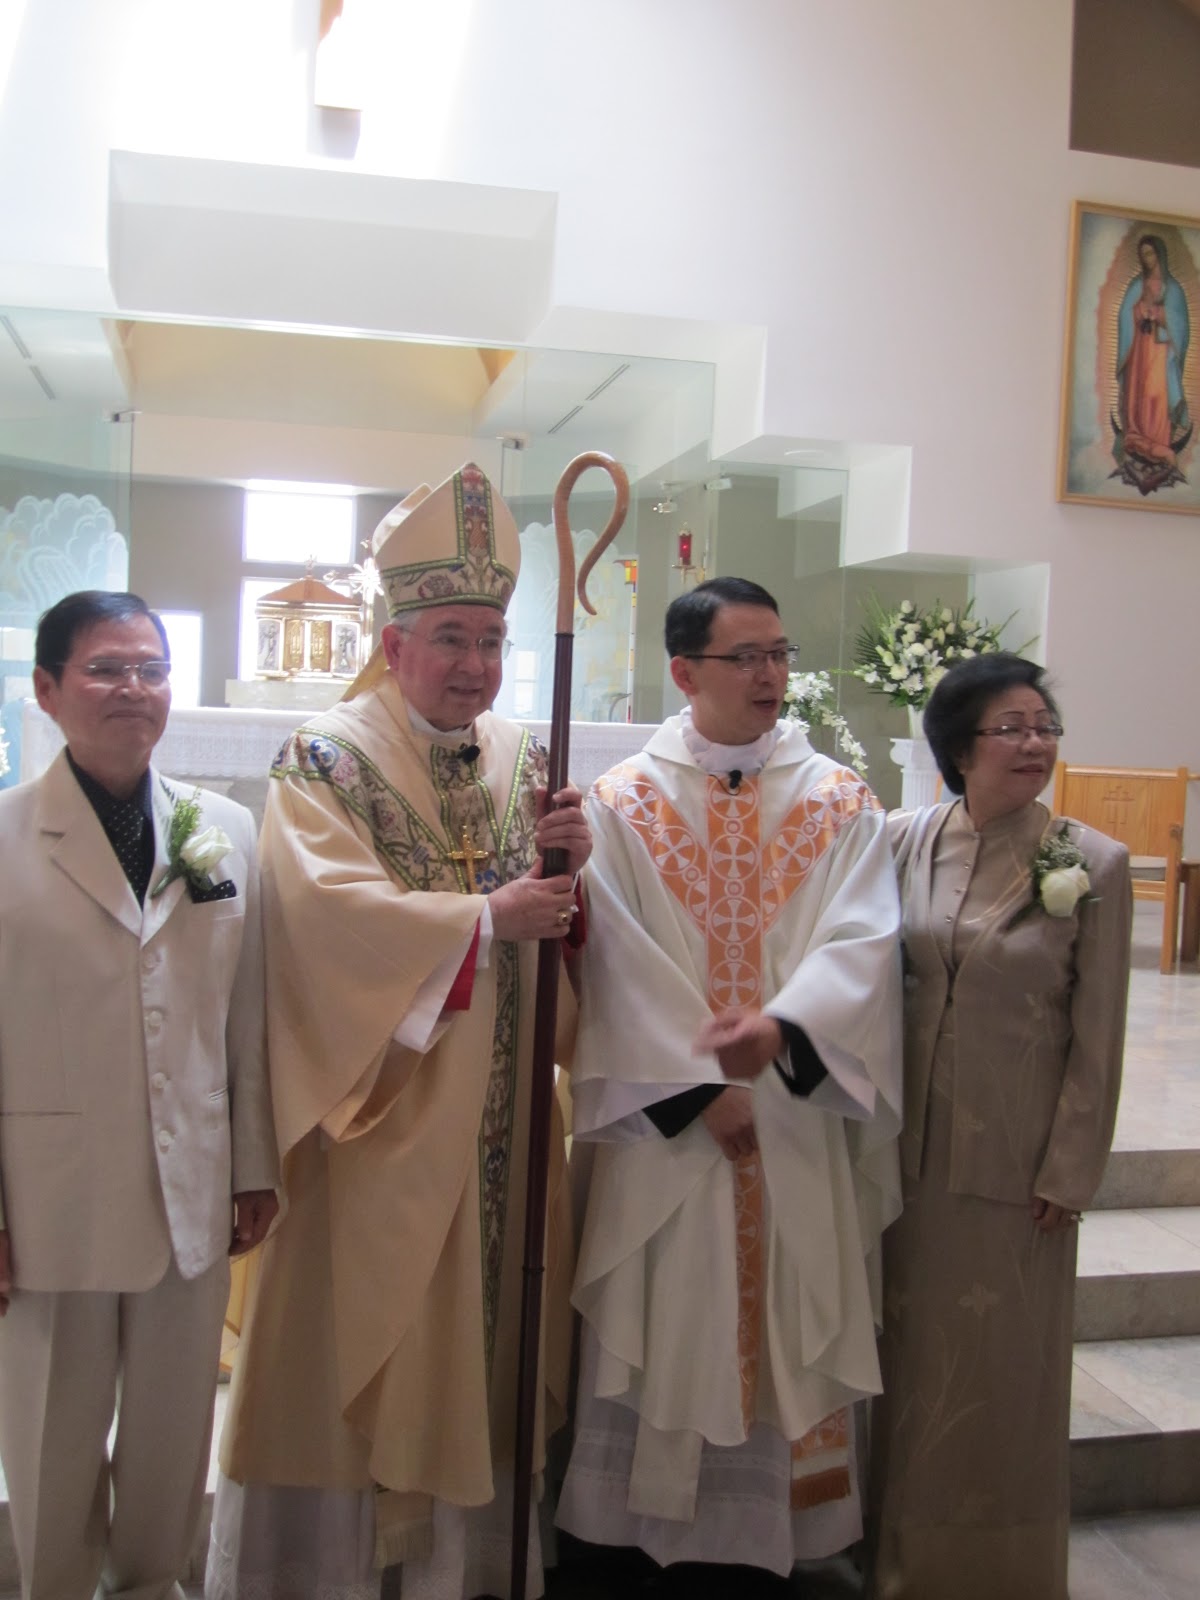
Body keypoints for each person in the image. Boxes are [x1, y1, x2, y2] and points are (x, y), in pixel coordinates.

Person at [210, 463, 589, 1600]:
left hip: (502, 1123)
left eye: (494, 640)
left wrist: (571, 870)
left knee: (487, 1339)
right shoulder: (327, 755)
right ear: (393, 640)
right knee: (368, 1340)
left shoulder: (523, 755)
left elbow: (555, 929)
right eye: (452, 638)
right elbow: (321, 923)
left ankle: (461, 1575)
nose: (477, 664)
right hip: (380, 1120)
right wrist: (486, 917)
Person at [556, 577, 903, 1595]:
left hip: (796, 1110)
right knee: (668, 1300)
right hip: (669, 1127)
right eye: (745, 656)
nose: (770, 675)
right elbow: (614, 961)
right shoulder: (622, 802)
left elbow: (862, 944)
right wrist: (699, 1089)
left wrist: (784, 1035)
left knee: (788, 1305)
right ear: (684, 671)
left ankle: (771, 1536)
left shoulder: (842, 800)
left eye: (780, 654)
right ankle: (637, 1528)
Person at [0, 589, 278, 1600]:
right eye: (106, 669)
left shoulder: (226, 830)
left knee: (170, 1449)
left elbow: (245, 1014)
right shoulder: (4, 837)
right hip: (50, 1201)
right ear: (47, 690)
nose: (134, 689)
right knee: (51, 1446)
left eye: (151, 669)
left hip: (188, 1189)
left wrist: (253, 1165)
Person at [866, 652, 1132, 1600]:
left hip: (1015, 1169)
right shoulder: (900, 840)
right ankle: (887, 1555)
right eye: (1010, 728)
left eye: (1044, 727)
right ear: (958, 745)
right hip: (900, 1159)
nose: (1034, 744)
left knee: (1000, 1374)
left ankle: (992, 1571)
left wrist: (1071, 1169)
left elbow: (1099, 1036)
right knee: (901, 1362)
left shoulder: (1089, 862)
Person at [1114, 232, 1191, 486]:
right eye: (1142, 255)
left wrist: (1159, 314)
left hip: (1162, 352)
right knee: (1138, 392)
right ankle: (1136, 437)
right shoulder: (1137, 285)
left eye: (1149, 253)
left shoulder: (1174, 289)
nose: (1146, 259)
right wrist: (1139, 311)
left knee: (1156, 394)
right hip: (1140, 349)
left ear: (1159, 254)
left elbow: (1181, 325)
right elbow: (1125, 315)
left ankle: (1158, 443)